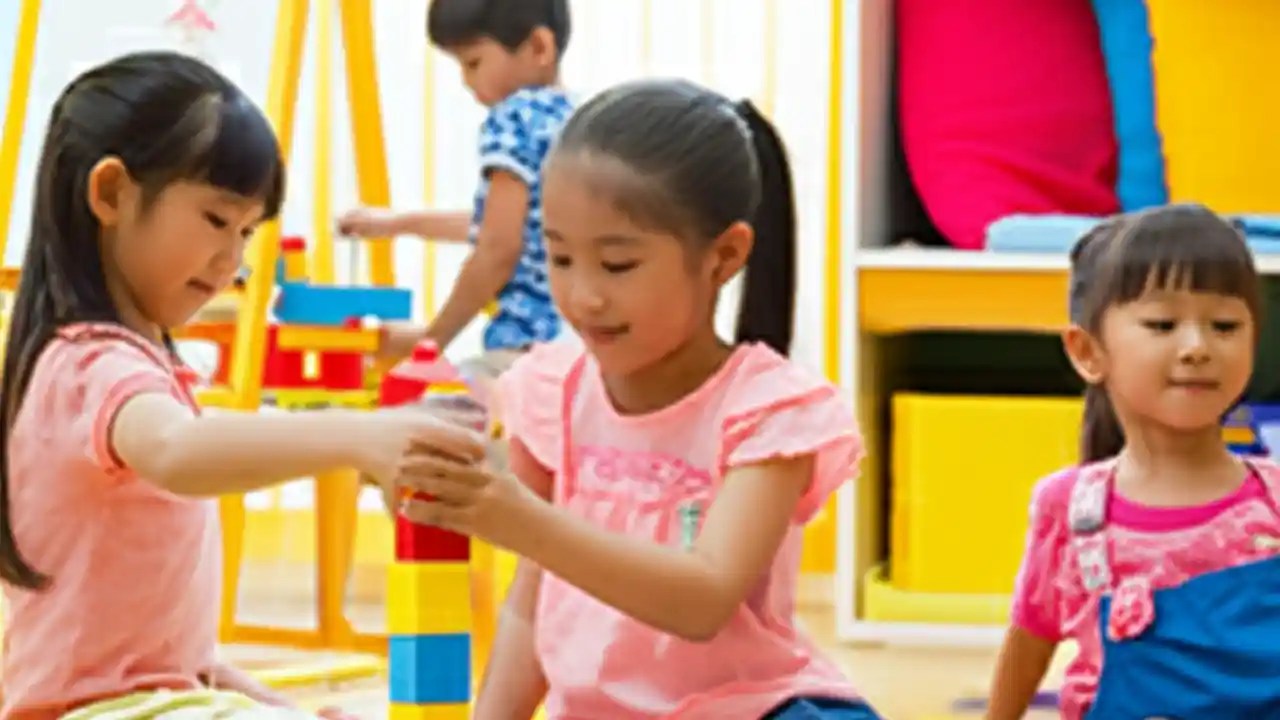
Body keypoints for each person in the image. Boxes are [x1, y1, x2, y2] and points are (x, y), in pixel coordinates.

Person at [0, 52, 478, 720]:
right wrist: (360, 436)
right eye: (217, 221)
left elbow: (178, 663)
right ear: (110, 194)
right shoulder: (88, 365)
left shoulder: (127, 367)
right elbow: (177, 451)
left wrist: (281, 708)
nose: (233, 259)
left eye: (248, 232)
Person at [392, 79, 878, 719]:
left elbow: (704, 600)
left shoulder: (768, 412)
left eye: (617, 265)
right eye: (560, 258)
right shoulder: (553, 392)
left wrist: (522, 520)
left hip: (748, 708)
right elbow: (530, 606)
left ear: (724, 256)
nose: (584, 296)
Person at [986, 205, 1280, 719]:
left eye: (1225, 325)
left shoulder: (1272, 500)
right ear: (1087, 351)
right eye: (1163, 324)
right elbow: (1030, 635)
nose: (1197, 347)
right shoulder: (1070, 508)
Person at [338, 0, 574, 389]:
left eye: (473, 62)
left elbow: (497, 248)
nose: (466, 81)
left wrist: (428, 343)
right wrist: (399, 224)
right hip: (576, 346)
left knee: (432, 415)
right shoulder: (576, 120)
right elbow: (515, 226)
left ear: (539, 47)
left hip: (527, 349)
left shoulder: (514, 118)